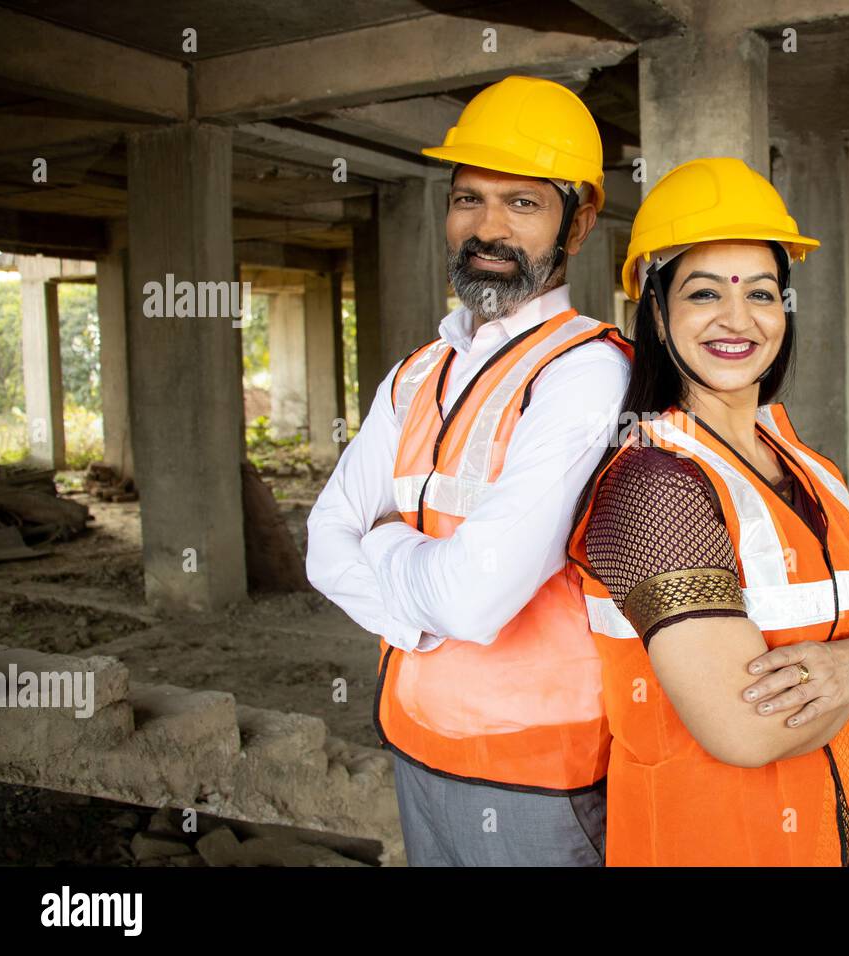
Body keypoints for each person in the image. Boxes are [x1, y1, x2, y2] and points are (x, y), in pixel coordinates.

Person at [567, 157, 849, 866]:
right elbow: (745, 733)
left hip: (837, 837)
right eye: (704, 293)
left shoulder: (807, 465)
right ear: (655, 310)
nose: (737, 319)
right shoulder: (654, 486)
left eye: (763, 294)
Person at [306, 75, 631, 866]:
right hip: (416, 742)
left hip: (539, 777)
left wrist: (381, 549)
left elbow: (477, 598)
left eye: (522, 203)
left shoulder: (586, 372)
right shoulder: (417, 373)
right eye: (468, 199)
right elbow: (320, 546)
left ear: (578, 222)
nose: (487, 228)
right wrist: (429, 603)